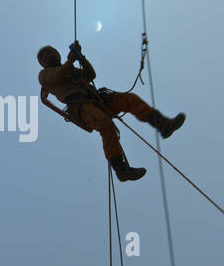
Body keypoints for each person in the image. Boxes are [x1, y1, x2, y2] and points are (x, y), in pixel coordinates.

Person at [38, 41, 185, 181]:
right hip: (79, 105)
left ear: (57, 55)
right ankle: (122, 170)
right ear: (42, 62)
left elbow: (90, 75)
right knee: (105, 124)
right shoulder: (44, 75)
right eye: (43, 56)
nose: (47, 55)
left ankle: (163, 125)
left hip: (98, 99)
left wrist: (81, 58)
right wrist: (70, 61)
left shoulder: (70, 70)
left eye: (49, 52)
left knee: (130, 99)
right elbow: (57, 76)